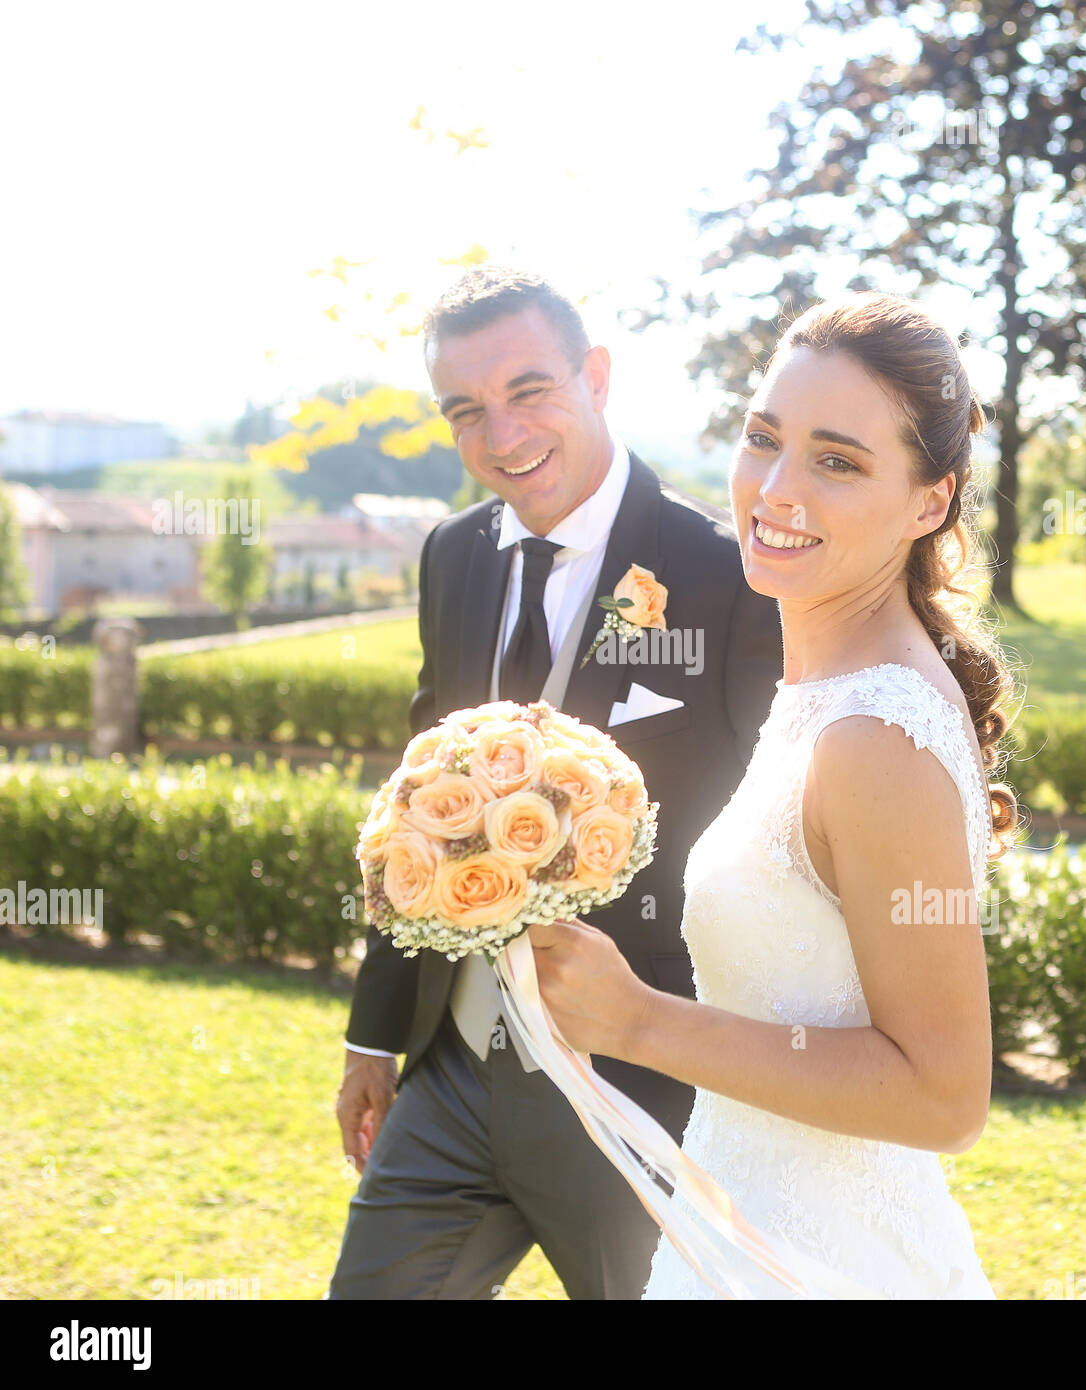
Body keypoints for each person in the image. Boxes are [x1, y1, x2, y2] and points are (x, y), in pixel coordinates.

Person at [529, 290, 1019, 1299]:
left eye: (837, 460)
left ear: (930, 502)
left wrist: (636, 1022)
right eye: (764, 439)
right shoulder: (824, 685)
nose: (776, 488)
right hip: (740, 1229)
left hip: (831, 1266)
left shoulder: (875, 736)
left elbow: (944, 1095)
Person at [328, 266, 783, 1300]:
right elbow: (420, 812)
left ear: (597, 377)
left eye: (528, 390)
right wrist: (376, 1027)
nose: (499, 435)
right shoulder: (452, 556)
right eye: (465, 411)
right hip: (453, 1065)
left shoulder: (728, 570)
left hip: (639, 1082)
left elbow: (779, 833)